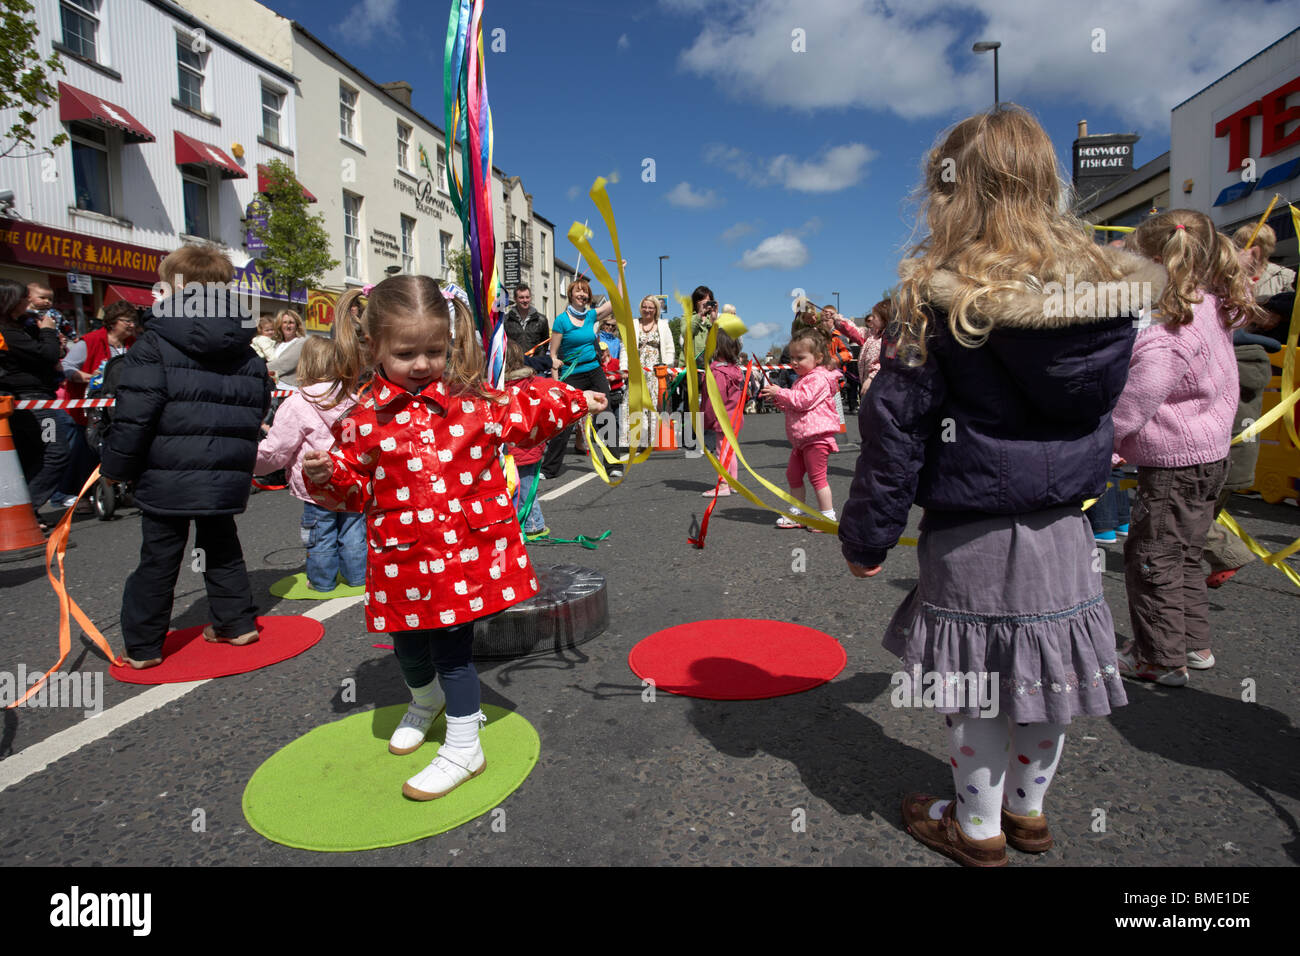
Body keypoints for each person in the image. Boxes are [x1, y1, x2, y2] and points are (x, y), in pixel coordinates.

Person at [839, 106, 1153, 866]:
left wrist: (868, 537)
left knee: (978, 688)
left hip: (972, 530)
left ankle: (973, 828)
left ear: (950, 193)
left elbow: (896, 432)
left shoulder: (935, 298)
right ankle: (1028, 815)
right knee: (1049, 680)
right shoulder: (1102, 299)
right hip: (1066, 531)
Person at [302, 275, 605, 800]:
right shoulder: (361, 420)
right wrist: (326, 476)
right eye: (406, 352)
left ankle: (466, 742)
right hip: (402, 558)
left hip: (460, 557)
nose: (422, 364)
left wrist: (575, 398)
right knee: (406, 644)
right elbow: (352, 488)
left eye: (434, 351)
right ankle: (425, 701)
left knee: (452, 651)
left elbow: (524, 409)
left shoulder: (473, 403)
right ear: (373, 347)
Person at [100, 245, 271, 668]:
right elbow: (258, 402)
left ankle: (143, 647)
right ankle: (237, 624)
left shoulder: (154, 342)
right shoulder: (244, 346)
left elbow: (135, 413)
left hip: (167, 467)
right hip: (224, 468)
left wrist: (116, 468)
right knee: (222, 546)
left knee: (159, 557)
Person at [1113, 210, 1252, 686]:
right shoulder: (1211, 306)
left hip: (1175, 459)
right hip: (1211, 454)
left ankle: (1158, 657)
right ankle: (1193, 644)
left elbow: (1136, 402)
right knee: (1186, 553)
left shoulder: (1166, 335)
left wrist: (1109, 441)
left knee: (1152, 555)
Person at [255, 333, 365, 594]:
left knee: (320, 534)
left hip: (314, 483)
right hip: (349, 480)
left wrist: (250, 462)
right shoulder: (353, 400)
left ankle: (322, 582)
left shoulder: (296, 403)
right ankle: (358, 577)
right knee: (353, 530)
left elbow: (277, 449)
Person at [1202, 323, 1279, 588]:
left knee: (1189, 519)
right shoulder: (1256, 367)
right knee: (1201, 516)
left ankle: (1229, 554)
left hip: (1217, 458)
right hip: (1242, 460)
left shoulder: (1222, 367)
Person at [0, 278, 69, 531]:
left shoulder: (23, 326)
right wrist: (49, 331)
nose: (28, 302)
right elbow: (46, 354)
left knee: (33, 454)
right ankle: (25, 510)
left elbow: (51, 355)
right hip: (33, 401)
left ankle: (24, 509)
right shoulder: (7, 330)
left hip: (38, 395)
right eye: (22, 298)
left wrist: (52, 338)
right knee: (55, 451)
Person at [55, 301, 138, 506]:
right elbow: (66, 367)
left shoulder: (132, 344)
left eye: (133, 321)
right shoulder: (90, 341)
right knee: (83, 452)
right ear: (112, 322)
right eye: (127, 321)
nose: (132, 325)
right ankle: (72, 494)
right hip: (87, 407)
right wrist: (88, 377)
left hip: (121, 407)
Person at [760, 328, 843, 527]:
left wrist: (780, 392)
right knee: (793, 475)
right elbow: (794, 405)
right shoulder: (802, 379)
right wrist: (778, 399)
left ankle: (827, 516)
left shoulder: (819, 378)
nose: (795, 362)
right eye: (793, 357)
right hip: (802, 438)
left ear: (818, 357)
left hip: (817, 438)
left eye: (801, 357)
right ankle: (798, 513)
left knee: (817, 478)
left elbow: (803, 401)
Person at [541, 277, 616, 479]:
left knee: (606, 413)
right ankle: (549, 468)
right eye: (578, 291)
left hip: (594, 370)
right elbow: (554, 355)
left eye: (585, 292)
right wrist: (557, 384)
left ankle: (613, 463)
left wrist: (620, 274)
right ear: (571, 294)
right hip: (571, 374)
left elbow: (616, 300)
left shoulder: (591, 316)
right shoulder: (561, 320)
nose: (582, 295)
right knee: (566, 419)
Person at [504, 341, 549, 539]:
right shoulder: (534, 382)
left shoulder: (499, 387)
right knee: (526, 488)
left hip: (514, 449)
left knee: (521, 489)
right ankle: (528, 523)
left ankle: (534, 524)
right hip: (532, 445)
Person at [700, 328, 745, 497]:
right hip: (733, 417)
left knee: (722, 452)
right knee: (730, 450)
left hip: (722, 419)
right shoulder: (733, 370)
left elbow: (714, 401)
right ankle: (733, 482)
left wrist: (707, 419)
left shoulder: (717, 373)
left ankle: (724, 483)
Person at [634, 294, 674, 442]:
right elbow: (626, 347)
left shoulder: (663, 325)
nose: (647, 310)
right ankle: (639, 437)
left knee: (656, 405)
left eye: (651, 307)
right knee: (637, 404)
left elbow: (669, 347)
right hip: (638, 370)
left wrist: (668, 368)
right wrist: (624, 368)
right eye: (644, 306)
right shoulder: (634, 323)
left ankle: (655, 437)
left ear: (656, 309)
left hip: (657, 372)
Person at [1233, 223, 1295, 300]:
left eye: (1251, 245)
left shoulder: (1284, 276)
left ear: (1265, 247)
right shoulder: (1231, 278)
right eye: (1240, 246)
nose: (1245, 250)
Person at [503, 284, 552, 373]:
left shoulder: (541, 319)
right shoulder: (506, 320)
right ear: (515, 299)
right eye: (521, 298)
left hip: (536, 367)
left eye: (527, 297)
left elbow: (544, 343)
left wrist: (539, 359)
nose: (525, 300)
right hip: (514, 367)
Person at [265, 308, 306, 390]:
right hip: (272, 386)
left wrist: (260, 368)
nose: (288, 326)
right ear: (280, 325)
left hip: (288, 388)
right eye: (284, 322)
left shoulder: (301, 342)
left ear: (297, 325)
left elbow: (285, 363)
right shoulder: (277, 343)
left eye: (291, 323)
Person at [857, 300, 887, 397]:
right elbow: (854, 331)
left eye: (874, 317)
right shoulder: (873, 336)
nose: (872, 320)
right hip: (868, 385)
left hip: (879, 387)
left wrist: (871, 378)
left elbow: (886, 363)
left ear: (884, 318)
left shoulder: (889, 339)